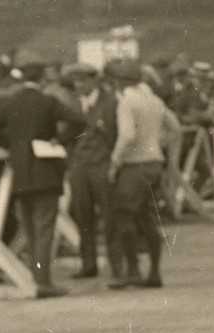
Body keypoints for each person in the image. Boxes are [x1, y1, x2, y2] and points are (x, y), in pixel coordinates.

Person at [0, 53, 83, 299]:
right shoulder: (47, 101)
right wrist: (60, 140)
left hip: (20, 173)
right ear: (42, 77)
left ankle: (37, 278)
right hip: (46, 169)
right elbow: (79, 121)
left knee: (31, 228)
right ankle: (43, 281)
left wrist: (12, 144)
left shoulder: (10, 102)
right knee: (45, 227)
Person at [105, 58, 179, 289]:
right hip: (154, 162)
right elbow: (175, 127)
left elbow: (127, 135)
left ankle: (133, 269)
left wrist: (115, 161)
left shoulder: (127, 100)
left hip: (134, 165)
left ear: (118, 81)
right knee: (148, 217)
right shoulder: (154, 100)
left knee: (123, 215)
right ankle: (155, 272)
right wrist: (157, 142)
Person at [58, 63, 119, 281]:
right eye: (76, 80)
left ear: (94, 80)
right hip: (80, 168)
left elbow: (115, 135)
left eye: (83, 80)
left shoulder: (110, 102)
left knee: (110, 216)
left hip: (102, 165)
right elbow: (66, 135)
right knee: (83, 216)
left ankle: (116, 263)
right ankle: (88, 263)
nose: (79, 84)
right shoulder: (73, 103)